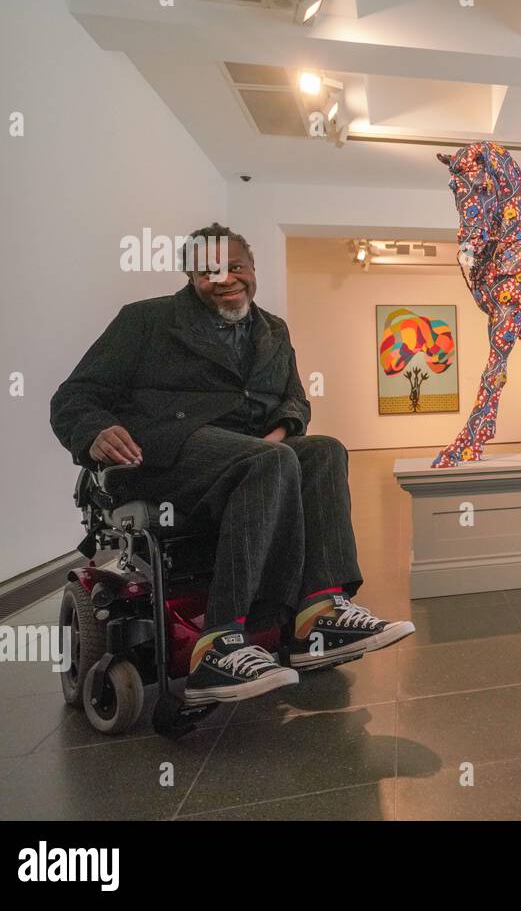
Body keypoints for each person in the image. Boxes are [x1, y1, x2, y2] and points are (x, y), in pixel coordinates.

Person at [50, 224, 414, 704]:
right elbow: (74, 395)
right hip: (164, 457)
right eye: (209, 271)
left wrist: (280, 435)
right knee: (268, 461)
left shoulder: (272, 330)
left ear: (252, 270)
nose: (225, 279)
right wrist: (95, 431)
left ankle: (317, 616)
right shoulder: (145, 321)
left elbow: (295, 402)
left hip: (251, 455)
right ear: (190, 276)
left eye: (236, 267)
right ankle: (218, 646)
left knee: (324, 450)